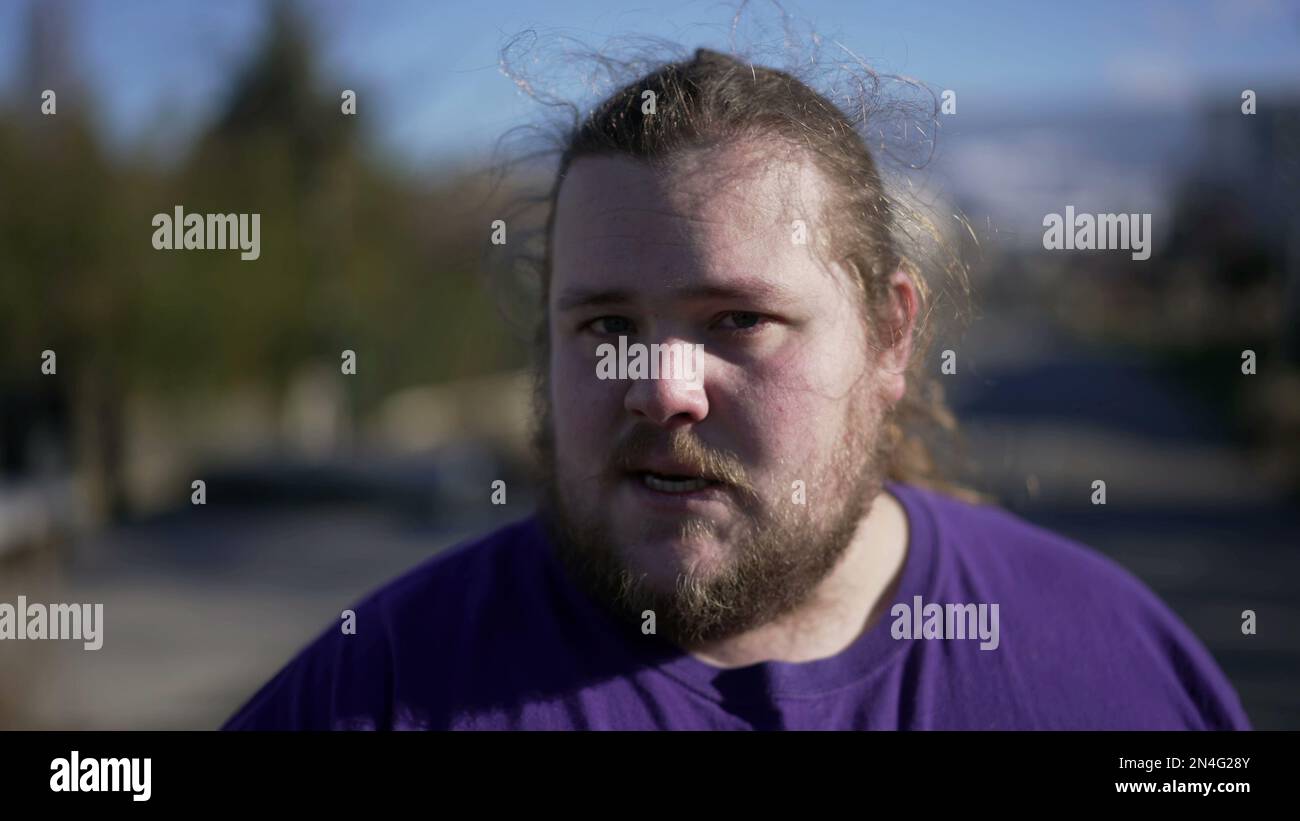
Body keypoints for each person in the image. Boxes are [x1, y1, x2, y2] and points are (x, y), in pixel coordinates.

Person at [223, 48, 1249, 730]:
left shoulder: (1105, 661)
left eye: (737, 321)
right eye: (605, 325)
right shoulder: (383, 685)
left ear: (891, 334)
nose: (661, 388)